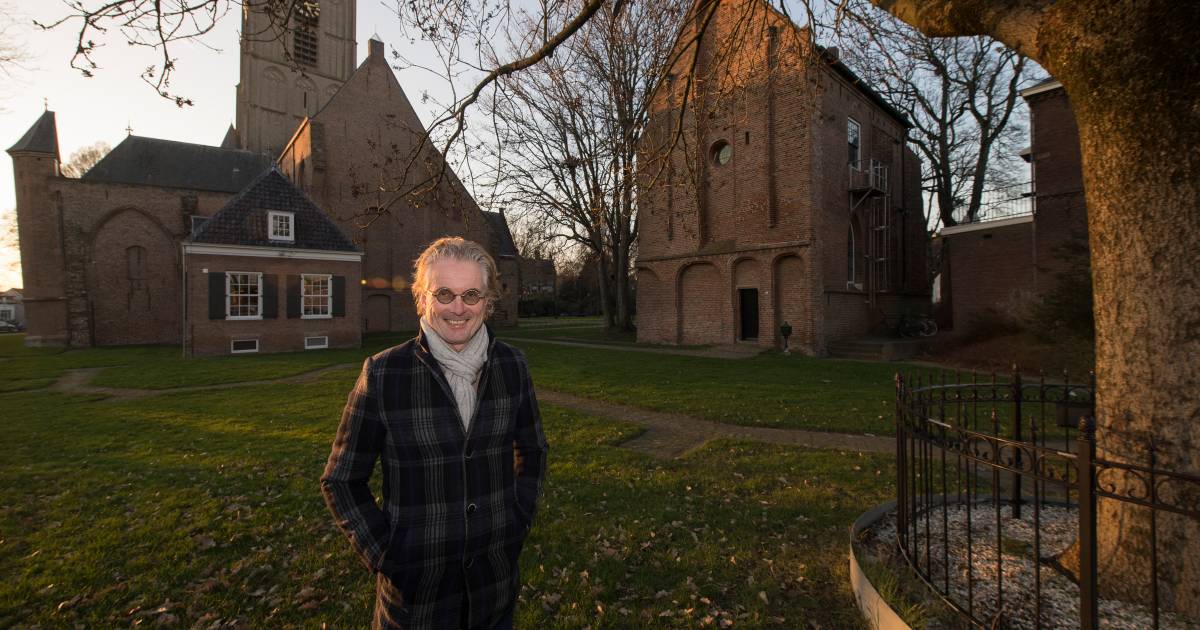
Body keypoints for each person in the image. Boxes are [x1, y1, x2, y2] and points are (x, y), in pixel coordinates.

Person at [321, 237, 548, 629]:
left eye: (471, 295)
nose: (458, 308)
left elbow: (533, 451)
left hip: (494, 593)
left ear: (487, 302)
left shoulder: (513, 366)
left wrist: (518, 521)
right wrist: (387, 556)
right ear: (421, 299)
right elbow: (341, 480)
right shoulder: (384, 374)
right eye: (444, 294)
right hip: (415, 605)